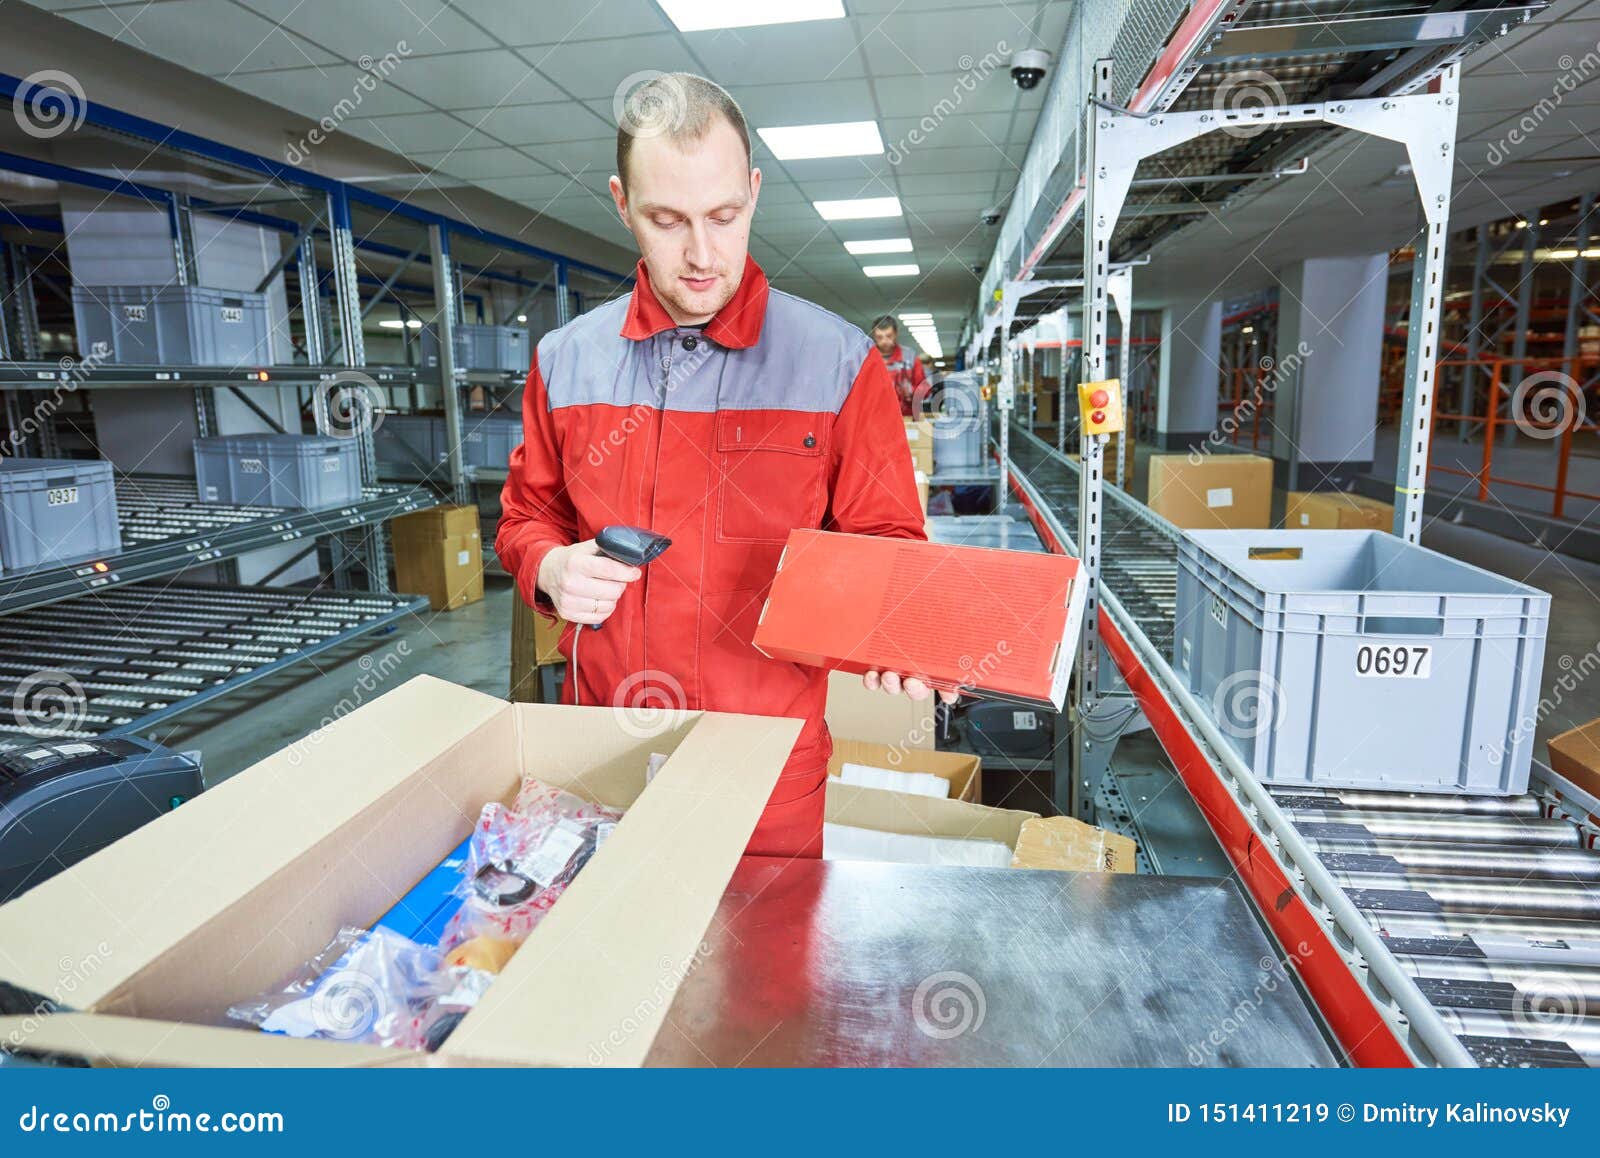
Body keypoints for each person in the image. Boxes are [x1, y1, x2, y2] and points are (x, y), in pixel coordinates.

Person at [496, 73, 953, 859]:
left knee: (767, 972)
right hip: (608, 747)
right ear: (620, 202)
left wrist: (902, 633)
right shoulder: (564, 362)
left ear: (753, 192)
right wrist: (547, 568)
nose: (701, 255)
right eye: (666, 221)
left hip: (765, 765)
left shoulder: (839, 365)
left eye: (724, 216)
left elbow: (888, 543)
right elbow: (525, 518)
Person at [870, 315, 928, 417]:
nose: (884, 341)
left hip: (906, 417)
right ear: (874, 336)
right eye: (879, 337)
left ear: (896, 333)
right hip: (876, 417)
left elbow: (925, 388)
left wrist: (911, 392)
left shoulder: (909, 356)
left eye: (889, 336)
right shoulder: (867, 358)